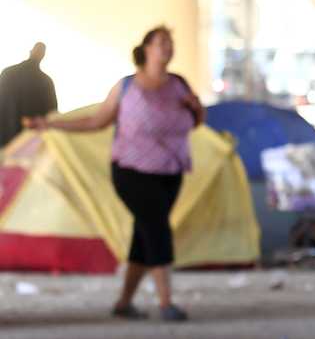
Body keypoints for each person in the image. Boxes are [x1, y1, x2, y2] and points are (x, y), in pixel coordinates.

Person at [25, 27, 202, 321]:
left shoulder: (180, 84)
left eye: (171, 43)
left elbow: (195, 122)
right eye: (161, 43)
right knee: (157, 228)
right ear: (145, 49)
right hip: (131, 172)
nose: (168, 48)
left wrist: (196, 108)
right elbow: (96, 121)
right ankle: (166, 302)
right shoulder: (127, 87)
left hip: (170, 170)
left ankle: (124, 303)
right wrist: (51, 124)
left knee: (143, 235)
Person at [0, 42, 59, 147]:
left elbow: (51, 115)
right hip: (26, 140)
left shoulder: (8, 72)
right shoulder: (45, 81)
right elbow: (52, 114)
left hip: (13, 137)